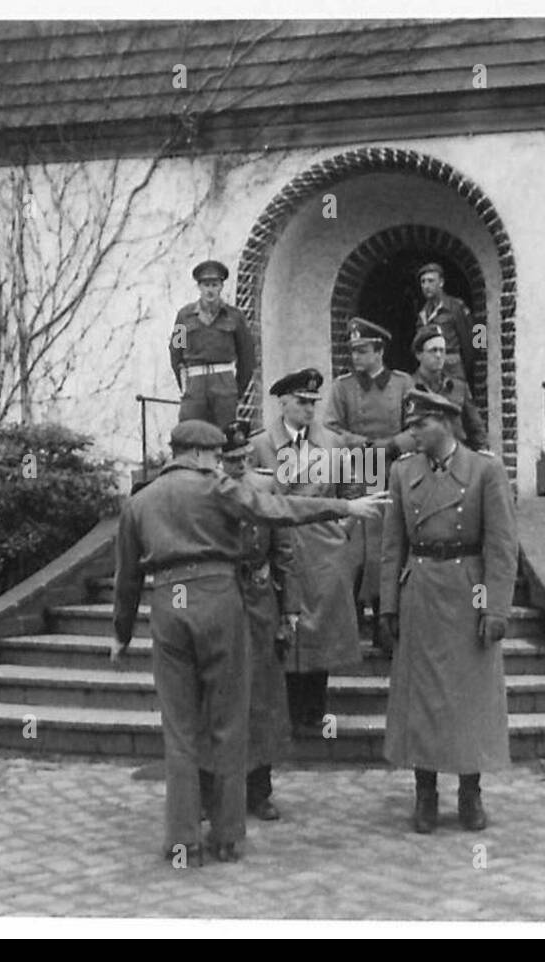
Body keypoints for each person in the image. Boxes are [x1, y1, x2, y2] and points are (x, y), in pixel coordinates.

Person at [112, 419, 385, 866]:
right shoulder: (217, 489)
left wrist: (121, 636)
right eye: (216, 456)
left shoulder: (139, 502)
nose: (220, 464)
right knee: (228, 721)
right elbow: (277, 509)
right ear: (199, 455)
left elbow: (126, 579)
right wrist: (343, 508)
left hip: (167, 605)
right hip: (219, 600)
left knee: (180, 729)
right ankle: (227, 835)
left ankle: (182, 839)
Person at [380, 389, 518, 833]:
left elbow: (501, 545)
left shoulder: (484, 471)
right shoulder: (403, 473)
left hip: (467, 589)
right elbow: (391, 545)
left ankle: (470, 792)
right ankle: (424, 793)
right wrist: (387, 606)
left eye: (420, 425)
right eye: (411, 425)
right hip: (420, 589)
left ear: (445, 422)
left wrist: (496, 606)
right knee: (421, 698)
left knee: (469, 696)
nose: (412, 434)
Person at [251, 368, 361, 737]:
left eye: (314, 402)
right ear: (282, 403)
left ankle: (315, 711)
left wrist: (341, 532)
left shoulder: (334, 443)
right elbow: (250, 497)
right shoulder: (261, 445)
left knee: (322, 630)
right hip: (282, 546)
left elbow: (352, 493)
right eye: (301, 402)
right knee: (284, 625)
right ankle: (285, 711)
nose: (309, 408)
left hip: (323, 548)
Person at [198, 420, 298, 822]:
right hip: (219, 599)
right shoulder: (204, 496)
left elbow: (285, 554)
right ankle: (211, 793)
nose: (237, 466)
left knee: (262, 698)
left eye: (242, 459)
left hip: (258, 603)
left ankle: (259, 790)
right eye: (229, 459)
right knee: (214, 695)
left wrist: (289, 610)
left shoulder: (267, 490)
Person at [324, 317, 416, 647]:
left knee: (387, 546)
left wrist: (392, 445)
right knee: (359, 547)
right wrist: (360, 443)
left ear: (379, 352)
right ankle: (353, 620)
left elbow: (418, 426)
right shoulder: (343, 387)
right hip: (359, 467)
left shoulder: (404, 384)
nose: (356, 358)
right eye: (353, 351)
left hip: (396, 467)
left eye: (362, 351)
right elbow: (331, 427)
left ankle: (386, 620)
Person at [169, 260, 255, 428]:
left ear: (221, 287)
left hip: (224, 384)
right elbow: (175, 352)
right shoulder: (184, 316)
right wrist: (186, 386)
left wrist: (236, 390)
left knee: (225, 436)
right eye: (206, 285)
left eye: (214, 284)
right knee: (189, 433)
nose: (210, 290)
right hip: (195, 385)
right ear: (199, 287)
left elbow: (247, 356)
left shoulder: (234, 317)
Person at [412, 324, 489, 451]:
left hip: (457, 460)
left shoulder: (458, 387)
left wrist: (482, 456)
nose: (438, 355)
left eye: (442, 350)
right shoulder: (408, 386)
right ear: (419, 355)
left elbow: (476, 429)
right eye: (433, 350)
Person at [415, 261, 476, 387]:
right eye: (423, 282)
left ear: (441, 283)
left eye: (431, 281)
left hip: (452, 368)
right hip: (429, 371)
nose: (426, 286)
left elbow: (471, 338)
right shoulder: (422, 314)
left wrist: (468, 366)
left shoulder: (456, 307)